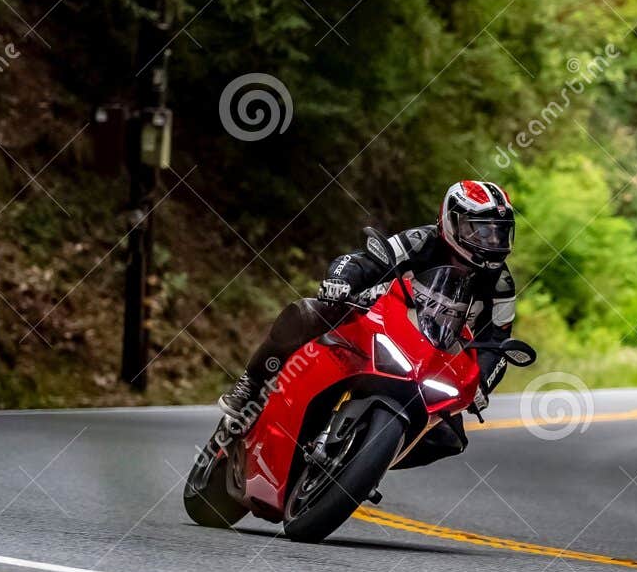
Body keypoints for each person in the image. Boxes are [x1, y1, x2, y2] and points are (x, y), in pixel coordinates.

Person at [219, 180, 517, 431]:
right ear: (452, 222)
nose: (492, 239)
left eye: (499, 231)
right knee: (308, 313)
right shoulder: (420, 240)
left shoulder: (500, 283)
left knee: (449, 436)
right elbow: (367, 260)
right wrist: (340, 281)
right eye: (481, 229)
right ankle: (252, 384)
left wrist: (482, 385)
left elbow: (497, 343)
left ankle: (369, 462)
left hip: (432, 356)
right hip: (377, 321)